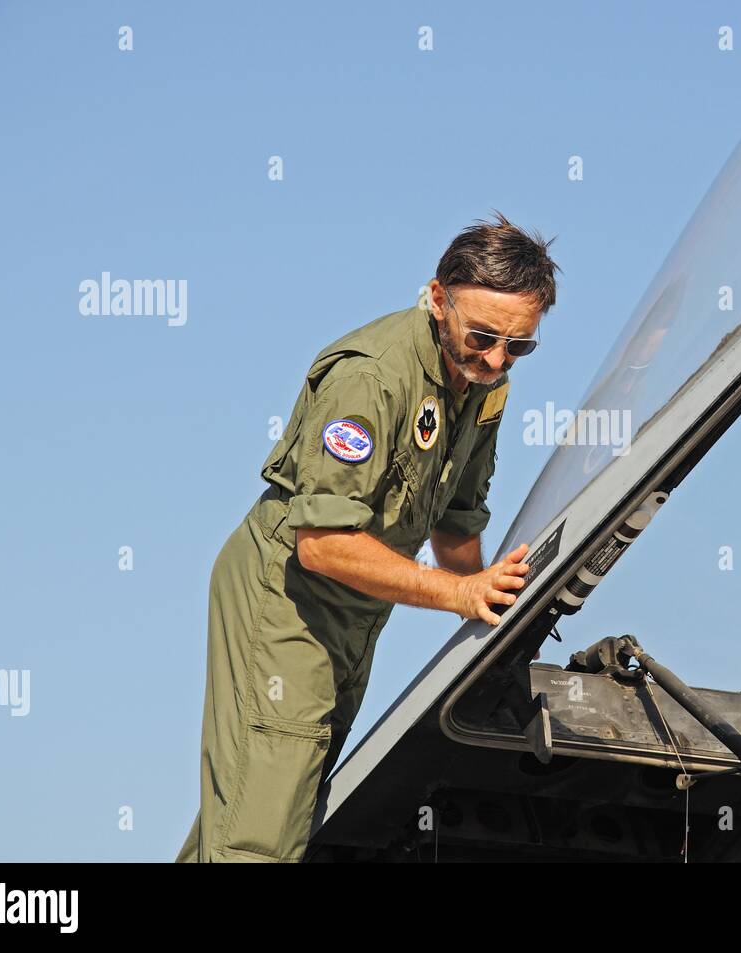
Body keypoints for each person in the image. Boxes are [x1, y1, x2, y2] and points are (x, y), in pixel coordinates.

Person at [176, 211, 560, 861]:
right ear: (439, 300)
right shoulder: (371, 375)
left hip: (357, 614)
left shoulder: (482, 385)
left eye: (518, 346)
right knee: (259, 836)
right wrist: (460, 595)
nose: (496, 359)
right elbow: (322, 542)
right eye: (484, 336)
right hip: (289, 601)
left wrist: (493, 605)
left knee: (266, 807)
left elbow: (456, 523)